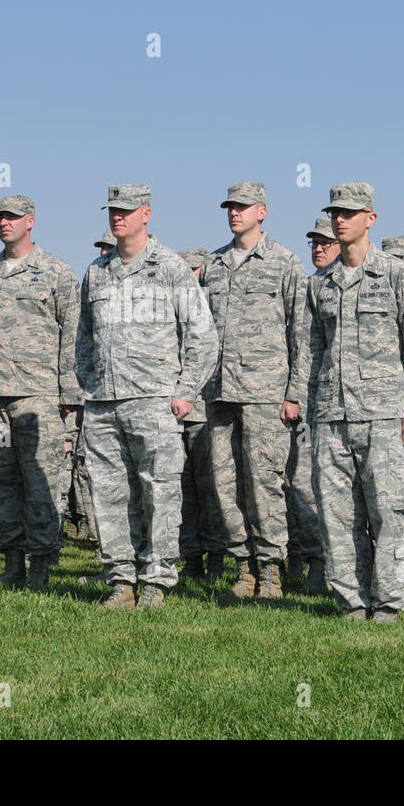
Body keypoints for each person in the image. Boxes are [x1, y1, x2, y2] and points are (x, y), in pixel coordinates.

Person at [76, 184, 218, 609]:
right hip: (104, 403)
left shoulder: (171, 268)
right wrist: (90, 381)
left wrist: (186, 391)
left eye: (126, 210)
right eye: (112, 210)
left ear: (146, 214)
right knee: (107, 493)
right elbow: (84, 339)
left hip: (154, 400)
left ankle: (155, 581)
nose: (117, 217)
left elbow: (203, 336)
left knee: (160, 492)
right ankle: (120, 580)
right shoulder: (96, 272)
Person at [307, 183, 404, 621]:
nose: (339, 219)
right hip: (332, 415)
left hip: (384, 416)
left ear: (370, 219)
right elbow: (310, 353)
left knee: (390, 512)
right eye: (334, 212)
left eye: (349, 212)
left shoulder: (399, 276)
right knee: (337, 514)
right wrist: (312, 415)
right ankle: (351, 600)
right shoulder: (319, 285)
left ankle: (387, 602)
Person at [200, 182, 308, 600]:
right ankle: (242, 568)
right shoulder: (214, 264)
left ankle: (270, 572)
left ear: (261, 212)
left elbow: (301, 333)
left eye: (242, 207)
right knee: (225, 485)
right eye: (230, 206)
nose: (234, 213)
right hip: (220, 393)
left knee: (264, 482)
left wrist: (294, 393)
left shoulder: (284, 263)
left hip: (266, 393)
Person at [0, 195, 82, 590]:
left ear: (31, 221)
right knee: (1, 486)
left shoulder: (55, 271)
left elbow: (72, 333)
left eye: (13, 217)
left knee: (39, 484)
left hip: (37, 395)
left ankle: (40, 566)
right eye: (1, 217)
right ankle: (12, 564)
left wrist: (70, 394)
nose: (5, 223)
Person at [174, 247, 225, 580]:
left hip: (208, 412)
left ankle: (218, 560)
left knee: (213, 489)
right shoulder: (174, 305)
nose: (193, 276)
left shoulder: (215, 308)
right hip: (177, 413)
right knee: (182, 492)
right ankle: (191, 559)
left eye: (196, 269)